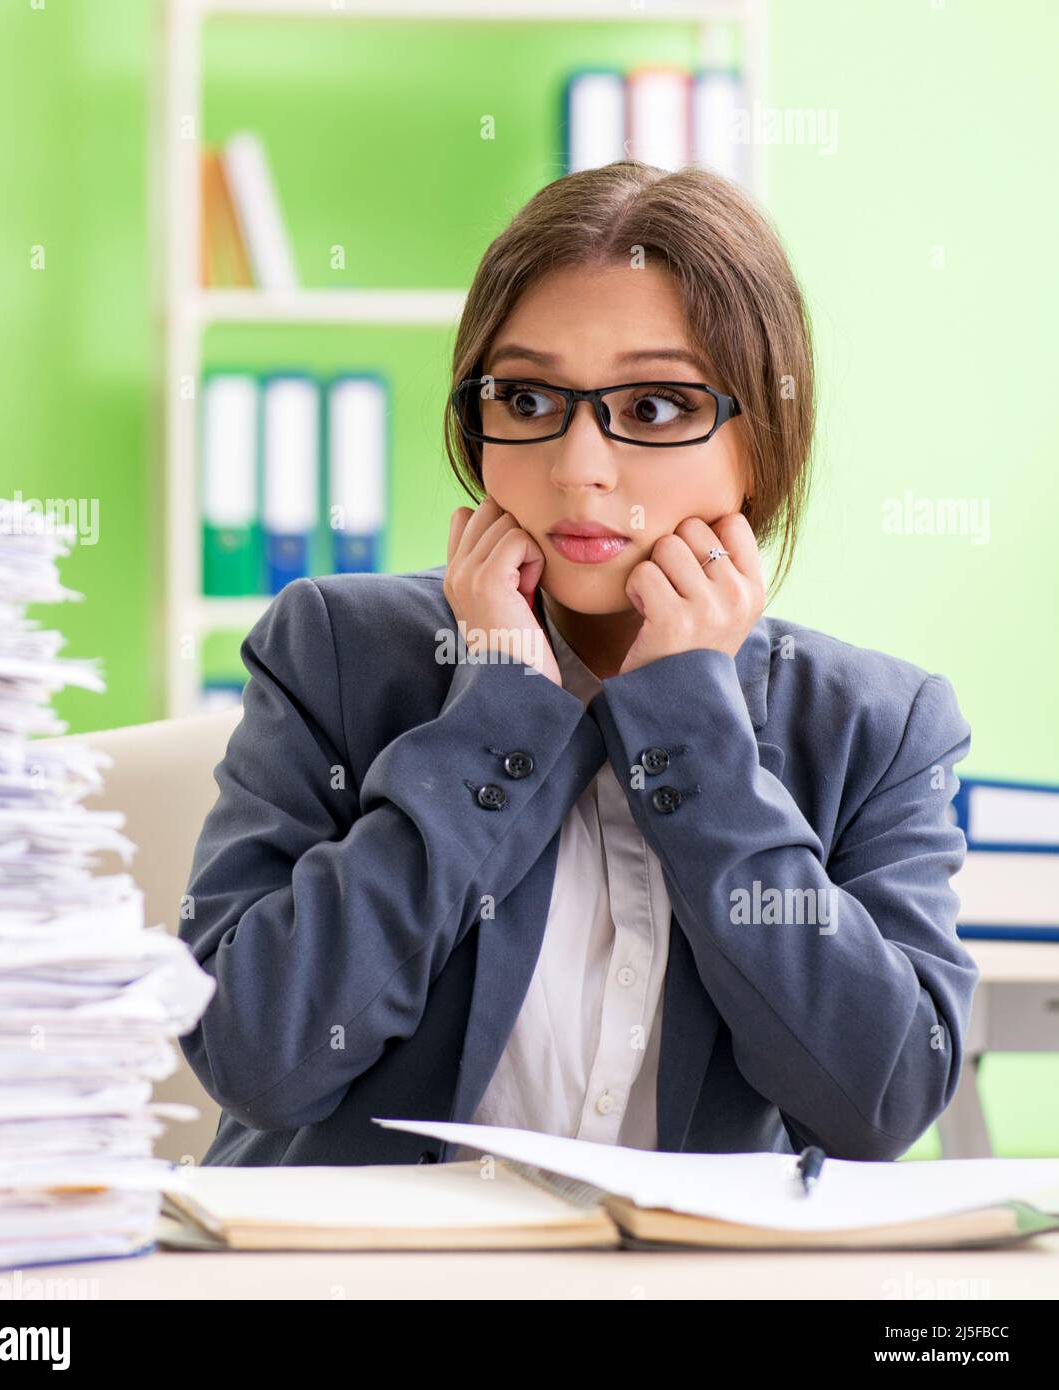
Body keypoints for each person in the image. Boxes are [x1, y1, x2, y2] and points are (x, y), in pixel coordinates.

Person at [178, 162, 978, 1168]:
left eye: (651, 408)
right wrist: (495, 718)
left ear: (761, 444)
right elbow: (253, 1054)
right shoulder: (334, 651)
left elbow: (882, 1102)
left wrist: (695, 744)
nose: (579, 468)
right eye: (526, 396)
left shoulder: (876, 724)